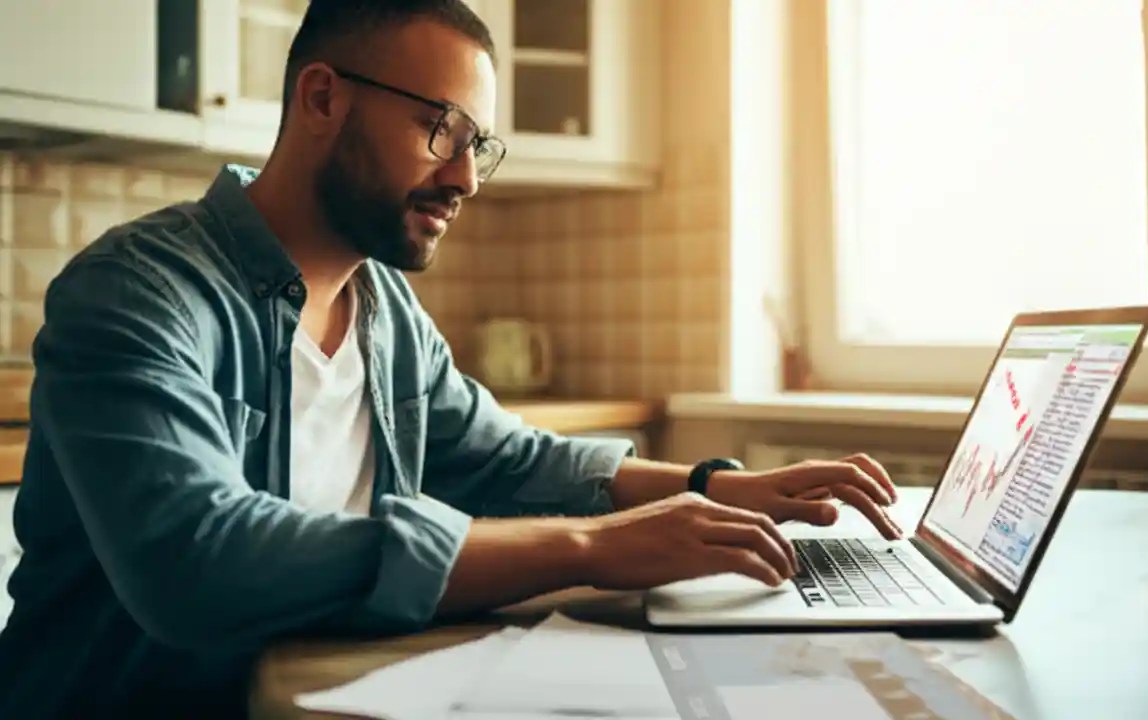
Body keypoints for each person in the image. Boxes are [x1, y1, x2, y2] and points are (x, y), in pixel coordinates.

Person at [0, 1, 902, 717]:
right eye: (441, 129)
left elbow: (511, 459)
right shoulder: (135, 291)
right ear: (322, 98)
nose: (466, 177)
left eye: (478, 145)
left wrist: (710, 486)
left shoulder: (385, 311)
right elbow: (198, 561)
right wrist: (589, 547)